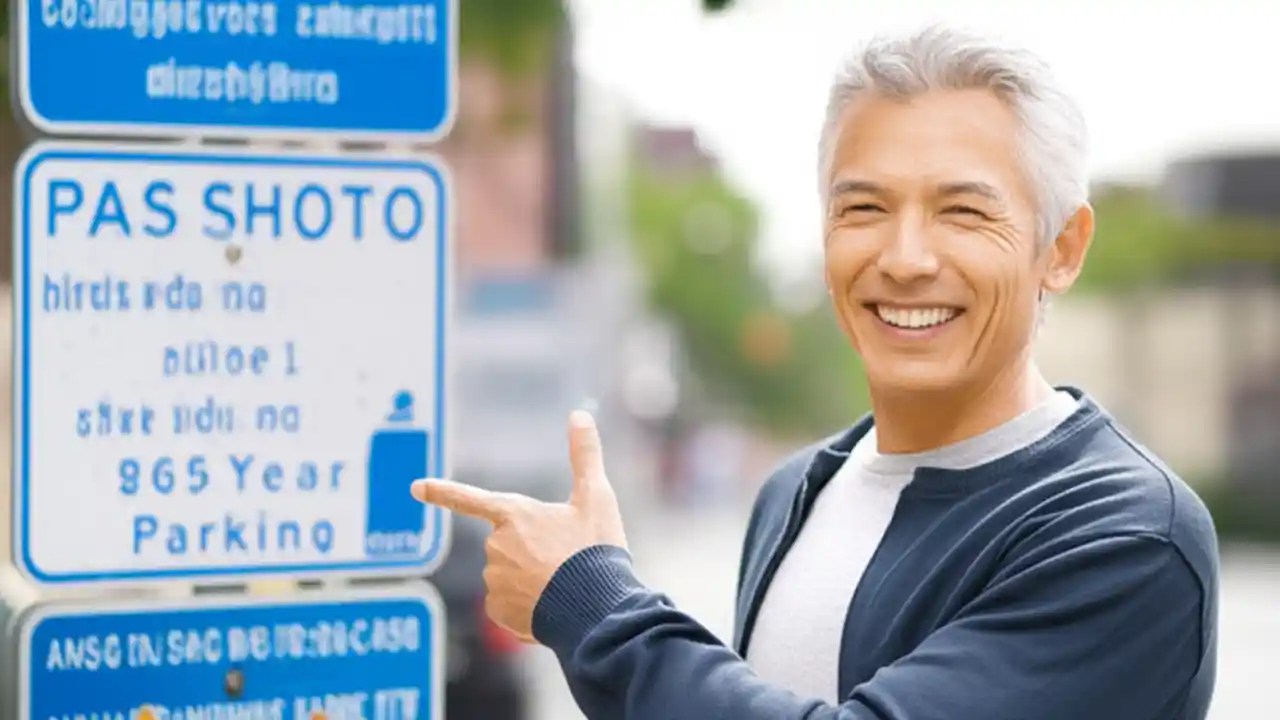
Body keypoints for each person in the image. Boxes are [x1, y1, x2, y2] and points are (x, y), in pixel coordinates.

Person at [413, 24, 1219, 720]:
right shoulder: (797, 489)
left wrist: (588, 602)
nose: (904, 259)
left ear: (1064, 248)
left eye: (964, 212)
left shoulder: (1127, 537)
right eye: (863, 208)